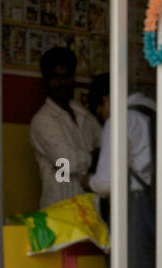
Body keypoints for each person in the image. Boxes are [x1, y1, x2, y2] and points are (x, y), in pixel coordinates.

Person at [81, 73, 157, 268]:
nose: (103, 117)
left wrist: (87, 182)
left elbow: (109, 182)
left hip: (134, 210)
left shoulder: (119, 120)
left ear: (106, 101)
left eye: (100, 110)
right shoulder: (154, 110)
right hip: (158, 208)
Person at [29, 46, 102, 208]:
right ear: (46, 81)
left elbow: (106, 150)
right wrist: (93, 157)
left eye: (67, 76)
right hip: (59, 208)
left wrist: (77, 162)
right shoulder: (42, 121)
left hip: (88, 208)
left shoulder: (84, 115)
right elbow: (68, 161)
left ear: (73, 78)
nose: (62, 83)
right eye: (56, 77)